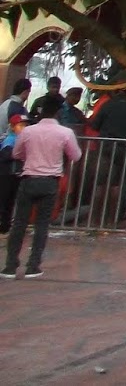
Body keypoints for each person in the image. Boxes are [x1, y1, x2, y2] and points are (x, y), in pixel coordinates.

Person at [2, 93, 81, 280]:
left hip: (29, 179)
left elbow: (17, 153)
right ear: (58, 112)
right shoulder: (65, 133)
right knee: (42, 225)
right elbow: (76, 155)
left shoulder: (28, 131)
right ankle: (33, 265)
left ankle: (10, 266)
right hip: (50, 182)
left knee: (19, 224)